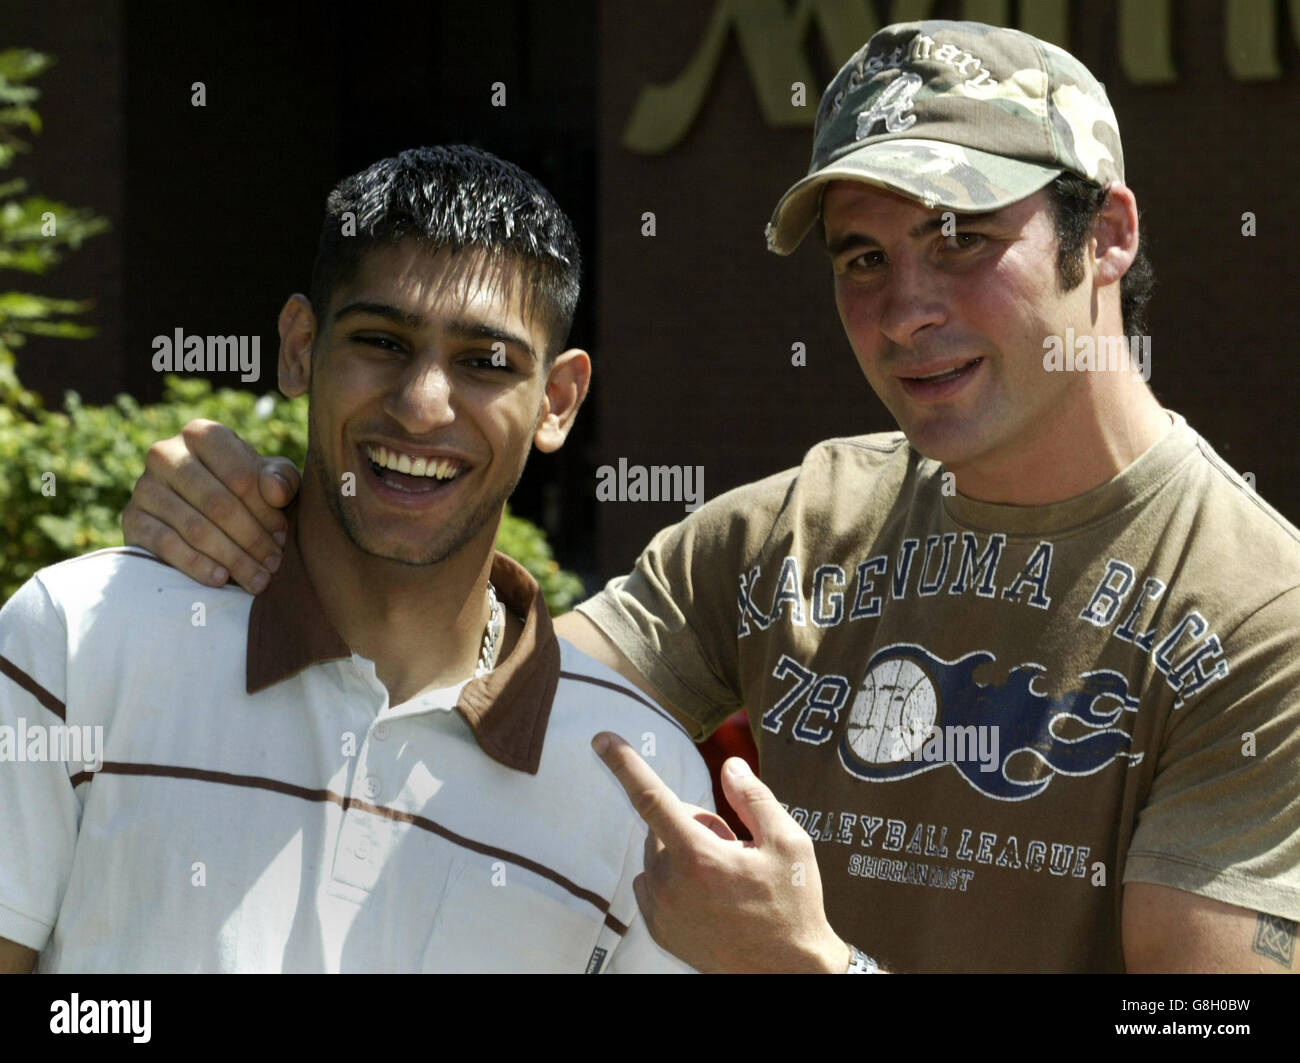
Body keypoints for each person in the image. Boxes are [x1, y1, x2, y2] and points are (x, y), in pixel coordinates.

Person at [119, 22, 1300, 973]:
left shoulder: (1260, 611)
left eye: (958, 238)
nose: (902, 312)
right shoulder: (797, 526)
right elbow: (477, 695)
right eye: (862, 258)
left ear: (1104, 235)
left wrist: (810, 967)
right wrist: (253, 528)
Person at [0, 145, 715, 973]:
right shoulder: (77, 639)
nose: (420, 407)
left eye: (485, 362)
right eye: (382, 340)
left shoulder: (641, 782)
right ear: (301, 347)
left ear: (556, 401)